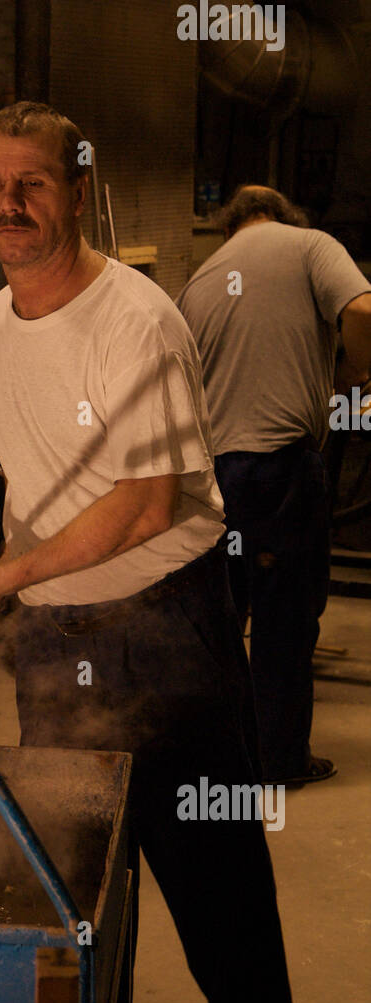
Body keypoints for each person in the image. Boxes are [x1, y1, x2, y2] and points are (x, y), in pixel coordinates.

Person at [0, 101, 293, 1003]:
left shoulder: (135, 319)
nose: (12, 205)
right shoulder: (3, 316)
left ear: (77, 192)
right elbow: (23, 477)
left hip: (161, 627)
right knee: (69, 877)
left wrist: (2, 582)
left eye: (33, 184)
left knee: (206, 859)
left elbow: (146, 502)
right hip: (56, 634)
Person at [177, 186, 371, 785]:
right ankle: (281, 760)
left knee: (221, 623)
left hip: (213, 479)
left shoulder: (197, 282)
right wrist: (358, 374)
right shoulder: (310, 245)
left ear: (231, 227)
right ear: (286, 216)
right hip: (282, 469)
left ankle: (221, 756)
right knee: (286, 621)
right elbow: (363, 312)